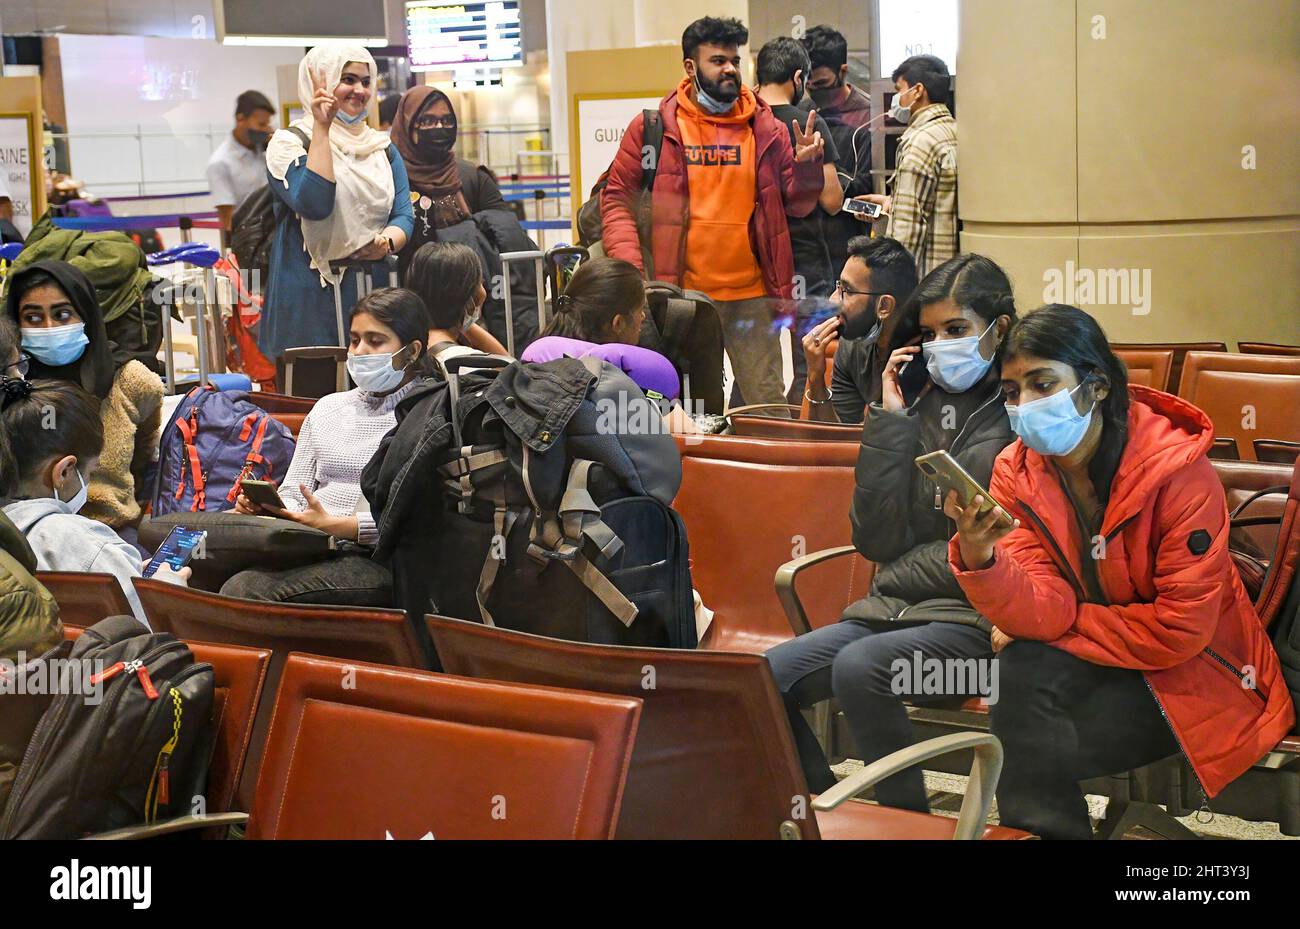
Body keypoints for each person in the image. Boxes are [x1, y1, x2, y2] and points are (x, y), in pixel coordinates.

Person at [945, 304, 1295, 839]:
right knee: (1021, 684)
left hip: (1194, 676)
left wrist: (1061, 626)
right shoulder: (1014, 470)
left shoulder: (1179, 473)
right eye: (1012, 392)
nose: (1025, 406)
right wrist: (982, 558)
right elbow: (1043, 608)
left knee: (1027, 743)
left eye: (1043, 384)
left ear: (1098, 387)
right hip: (1102, 663)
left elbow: (1178, 631)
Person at [765, 254, 1017, 798]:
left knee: (861, 668)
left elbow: (1004, 552)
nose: (940, 343)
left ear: (998, 330)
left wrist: (911, 563)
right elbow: (875, 539)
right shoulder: (918, 406)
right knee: (762, 680)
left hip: (977, 631)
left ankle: (904, 822)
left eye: (956, 329)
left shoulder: (1019, 412)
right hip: (890, 613)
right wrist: (890, 418)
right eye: (929, 332)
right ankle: (819, 813)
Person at [600, 15, 825, 410]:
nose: (730, 70)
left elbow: (798, 203)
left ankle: (764, 473)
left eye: (735, 61)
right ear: (690, 67)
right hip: (683, 299)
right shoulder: (655, 127)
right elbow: (617, 198)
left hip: (752, 298)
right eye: (717, 60)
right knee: (691, 409)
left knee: (766, 409)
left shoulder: (764, 127)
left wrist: (807, 169)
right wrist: (633, 274)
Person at [222, 288, 435, 606]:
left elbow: (423, 521)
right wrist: (271, 508)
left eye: (375, 341)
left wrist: (345, 526)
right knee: (187, 557)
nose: (360, 351)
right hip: (309, 542)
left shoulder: (430, 412)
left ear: (412, 350)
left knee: (244, 589)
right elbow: (296, 490)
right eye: (354, 339)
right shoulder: (328, 408)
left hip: (376, 556)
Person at [259, 45, 415, 364]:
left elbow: (403, 215)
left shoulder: (381, 148)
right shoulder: (288, 144)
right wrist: (321, 128)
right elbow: (315, 203)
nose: (359, 90)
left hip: (372, 293)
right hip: (309, 301)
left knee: (376, 399)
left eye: (366, 81)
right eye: (347, 79)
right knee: (312, 400)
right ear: (323, 82)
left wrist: (385, 243)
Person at [1, 379, 190, 629]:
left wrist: (118, 566)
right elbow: (154, 631)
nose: (90, 480)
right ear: (64, 472)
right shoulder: (87, 542)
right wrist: (168, 590)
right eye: (91, 471)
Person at [5, 261, 163, 545]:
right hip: (27, 536)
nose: (50, 327)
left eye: (63, 314)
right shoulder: (11, 388)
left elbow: (143, 455)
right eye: (33, 317)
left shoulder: (131, 381)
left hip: (112, 532)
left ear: (86, 314)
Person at [754, 36, 844, 405]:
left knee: (755, 366)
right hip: (804, 260)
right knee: (811, 360)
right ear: (797, 77)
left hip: (755, 263)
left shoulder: (743, 124)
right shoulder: (807, 123)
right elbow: (833, 199)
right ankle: (808, 436)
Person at [390, 87, 510, 277]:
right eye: (427, 121)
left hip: (471, 289)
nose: (439, 128)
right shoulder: (389, 176)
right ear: (407, 123)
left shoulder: (472, 176)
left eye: (446, 121)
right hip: (408, 290)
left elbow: (504, 231)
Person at [801, 236, 918, 423]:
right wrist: (816, 377)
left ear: (884, 306)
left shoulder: (923, 360)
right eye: (838, 287)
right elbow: (835, 438)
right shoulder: (851, 346)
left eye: (847, 291)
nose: (833, 300)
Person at [858, 55, 957, 275]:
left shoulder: (919, 142)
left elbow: (907, 232)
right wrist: (892, 203)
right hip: (948, 274)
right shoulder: (952, 131)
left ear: (918, 90)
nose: (896, 99)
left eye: (899, 90)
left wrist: (893, 283)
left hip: (924, 278)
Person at [800, 25, 874, 274]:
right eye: (808, 84)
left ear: (843, 71)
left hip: (850, 245)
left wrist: (826, 170)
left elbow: (866, 188)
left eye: (822, 83)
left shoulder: (869, 117)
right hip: (808, 246)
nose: (815, 90)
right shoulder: (802, 112)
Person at [403, 241, 509, 373]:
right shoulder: (464, 363)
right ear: (468, 299)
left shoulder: (405, 343)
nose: (484, 291)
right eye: (481, 283)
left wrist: (461, 319)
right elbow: (511, 369)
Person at [206, 90, 276, 237]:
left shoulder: (264, 151)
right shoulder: (220, 163)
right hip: (251, 241)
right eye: (261, 124)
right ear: (241, 119)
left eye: (268, 124)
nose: (266, 130)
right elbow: (228, 219)